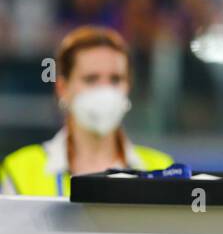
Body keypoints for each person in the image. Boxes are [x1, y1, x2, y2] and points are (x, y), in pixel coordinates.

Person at [1, 26, 173, 195]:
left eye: (115, 79)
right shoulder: (19, 170)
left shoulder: (162, 170)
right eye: (91, 79)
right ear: (62, 88)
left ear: (127, 87)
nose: (105, 91)